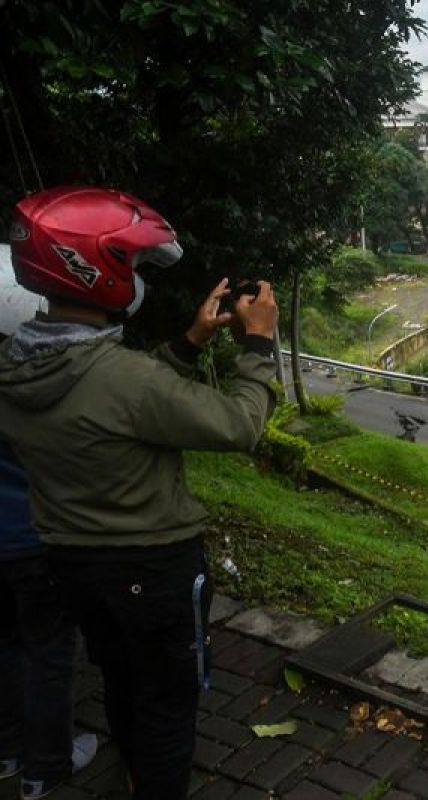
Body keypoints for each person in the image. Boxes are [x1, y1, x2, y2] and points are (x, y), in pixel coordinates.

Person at [0, 186, 279, 799]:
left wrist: (189, 343)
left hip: (71, 562)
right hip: (152, 569)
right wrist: (258, 346)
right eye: (131, 264)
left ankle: (133, 773)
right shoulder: (124, 378)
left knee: (123, 681)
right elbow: (239, 426)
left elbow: (110, 401)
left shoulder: (18, 364)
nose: (138, 278)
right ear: (95, 270)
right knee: (167, 706)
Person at [0, 249, 97, 800]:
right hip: (36, 538)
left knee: (5, 644)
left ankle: (8, 750)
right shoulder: (42, 387)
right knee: (50, 651)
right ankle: (48, 765)